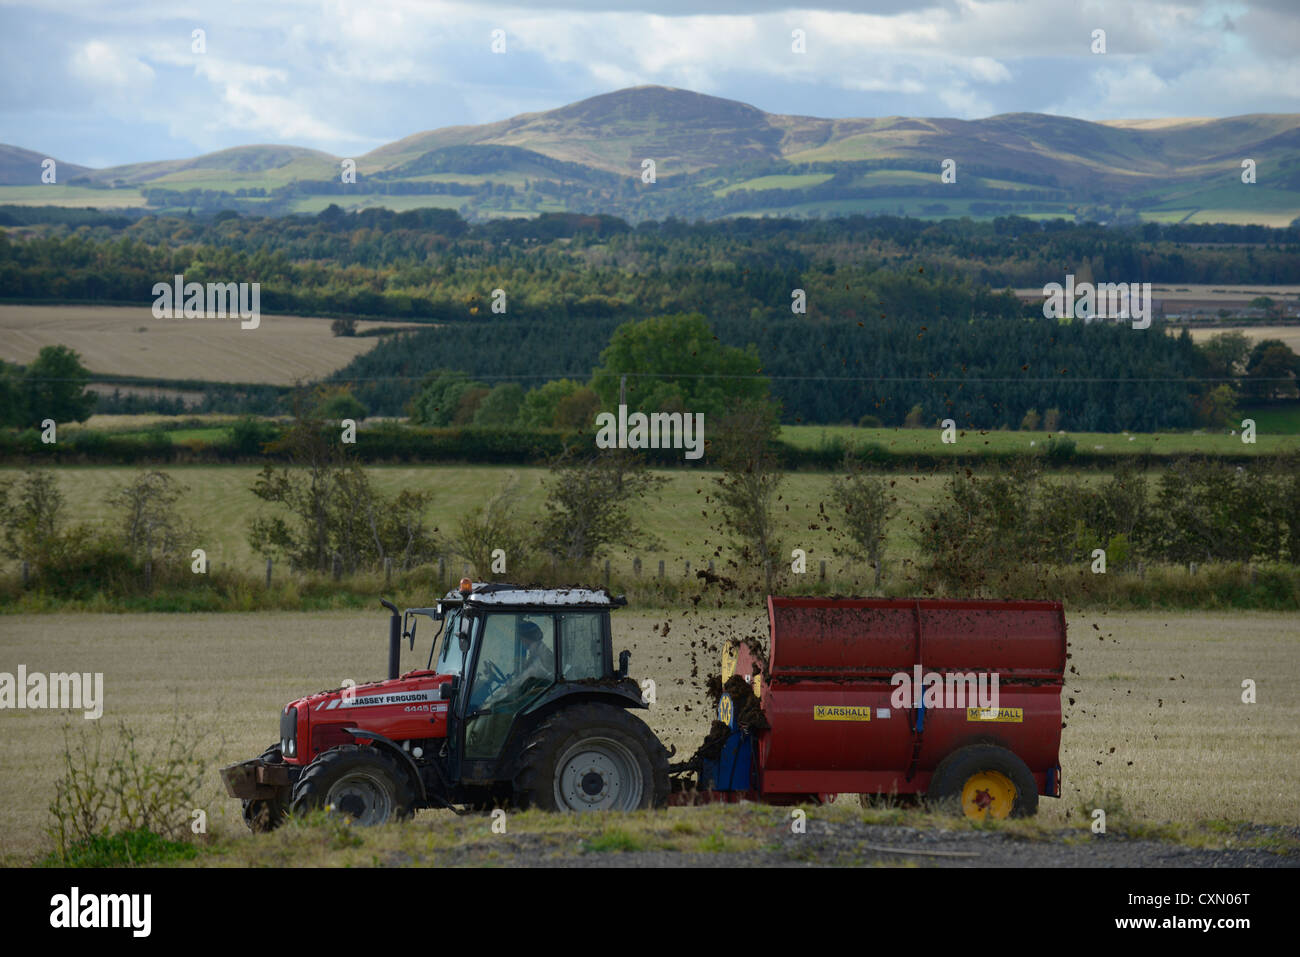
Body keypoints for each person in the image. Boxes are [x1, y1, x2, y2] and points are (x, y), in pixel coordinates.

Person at [482, 618, 554, 708]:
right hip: (523, 695)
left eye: (521, 639)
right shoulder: (535, 653)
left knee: (491, 708)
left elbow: (530, 679)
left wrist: (511, 688)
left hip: (530, 700)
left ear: (525, 638)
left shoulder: (542, 656)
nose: (522, 642)